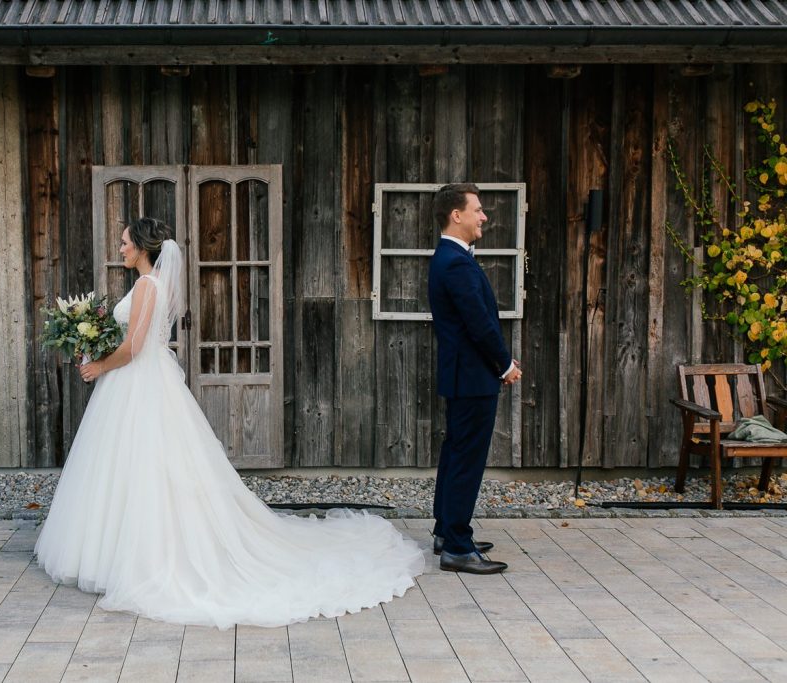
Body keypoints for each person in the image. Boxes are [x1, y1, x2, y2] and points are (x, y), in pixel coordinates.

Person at [35, 217, 423, 629]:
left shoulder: (148, 286)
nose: (121, 248)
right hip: (135, 384)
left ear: (144, 248)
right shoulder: (147, 284)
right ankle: (120, 550)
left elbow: (132, 348)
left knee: (146, 464)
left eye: (125, 242)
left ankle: (147, 555)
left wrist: (98, 365)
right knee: (133, 467)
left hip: (138, 381)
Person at [427, 184, 522, 575]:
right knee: (466, 460)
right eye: (478, 210)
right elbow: (480, 325)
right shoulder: (454, 263)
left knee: (455, 455)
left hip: (465, 375)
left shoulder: (452, 258)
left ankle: (445, 530)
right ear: (457, 215)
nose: (484, 216)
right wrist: (505, 365)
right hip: (472, 378)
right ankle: (457, 547)